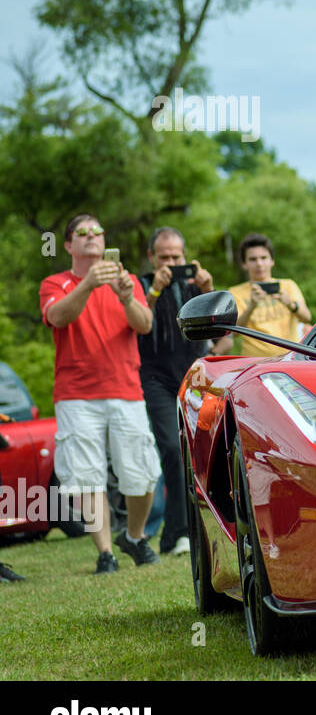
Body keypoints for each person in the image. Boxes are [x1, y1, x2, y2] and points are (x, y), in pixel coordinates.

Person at [40, 214, 161, 573]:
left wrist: (126, 298)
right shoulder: (55, 282)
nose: (91, 237)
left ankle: (135, 537)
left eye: (97, 232)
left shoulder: (129, 281)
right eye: (82, 233)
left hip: (125, 390)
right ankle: (106, 553)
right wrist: (88, 284)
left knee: (141, 473)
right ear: (68, 245)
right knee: (87, 476)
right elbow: (59, 317)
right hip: (76, 395)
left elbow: (145, 324)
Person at [137, 226, 215, 556]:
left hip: (193, 374)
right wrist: (155, 290)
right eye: (164, 256)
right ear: (152, 257)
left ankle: (179, 533)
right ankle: (179, 532)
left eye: (177, 256)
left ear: (186, 256)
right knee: (171, 448)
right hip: (154, 377)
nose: (171, 262)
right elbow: (137, 327)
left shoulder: (194, 287)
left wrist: (208, 289)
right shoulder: (140, 286)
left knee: (199, 449)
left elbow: (216, 332)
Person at [218, 233, 311, 357]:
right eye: (252, 259)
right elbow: (234, 332)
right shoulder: (235, 292)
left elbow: (306, 317)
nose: (259, 264)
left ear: (272, 260)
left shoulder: (288, 285)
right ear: (244, 264)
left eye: (263, 257)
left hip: (291, 358)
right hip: (256, 363)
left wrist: (289, 304)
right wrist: (252, 306)